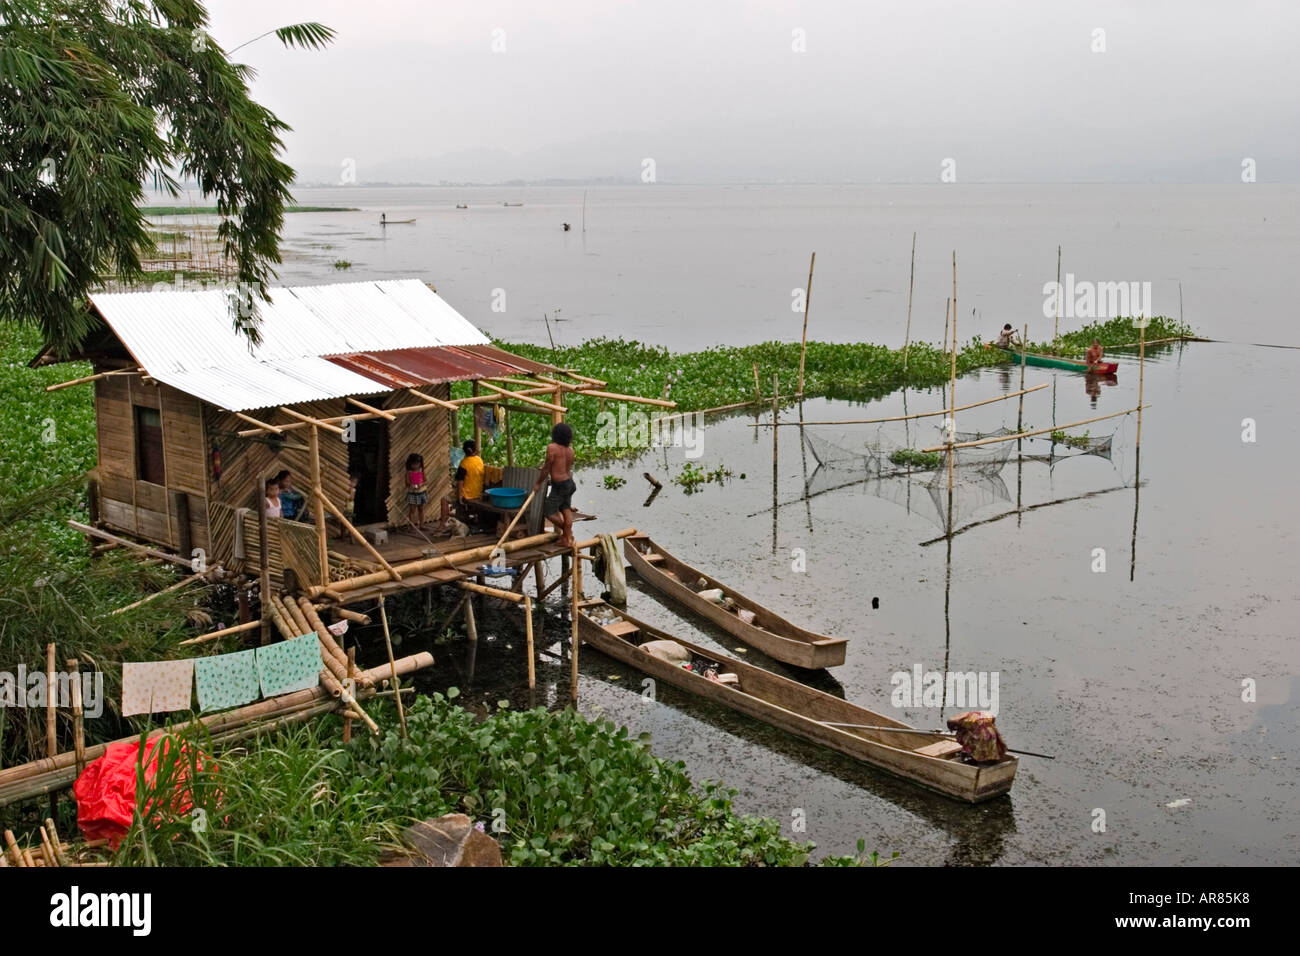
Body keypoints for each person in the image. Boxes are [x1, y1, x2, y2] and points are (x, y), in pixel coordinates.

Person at [535, 423, 577, 547]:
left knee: (548, 511)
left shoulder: (552, 448)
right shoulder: (571, 451)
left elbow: (547, 468)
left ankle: (567, 535)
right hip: (569, 484)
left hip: (559, 485)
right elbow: (563, 467)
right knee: (565, 509)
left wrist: (538, 483)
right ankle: (566, 538)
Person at [454, 440, 485, 510]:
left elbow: (460, 482)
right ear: (475, 450)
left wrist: (459, 497)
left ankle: (444, 521)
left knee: (444, 500)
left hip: (467, 495)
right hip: (478, 493)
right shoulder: (480, 460)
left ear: (464, 450)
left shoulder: (464, 463)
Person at [405, 453, 429, 527]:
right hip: (412, 493)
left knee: (421, 509)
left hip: (421, 492)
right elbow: (407, 482)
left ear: (420, 463)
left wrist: (421, 484)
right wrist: (410, 485)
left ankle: (422, 525)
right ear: (410, 464)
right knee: (412, 510)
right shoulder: (409, 473)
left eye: (417, 464)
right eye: (413, 464)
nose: (415, 466)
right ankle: (411, 526)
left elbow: (426, 481)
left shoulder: (422, 471)